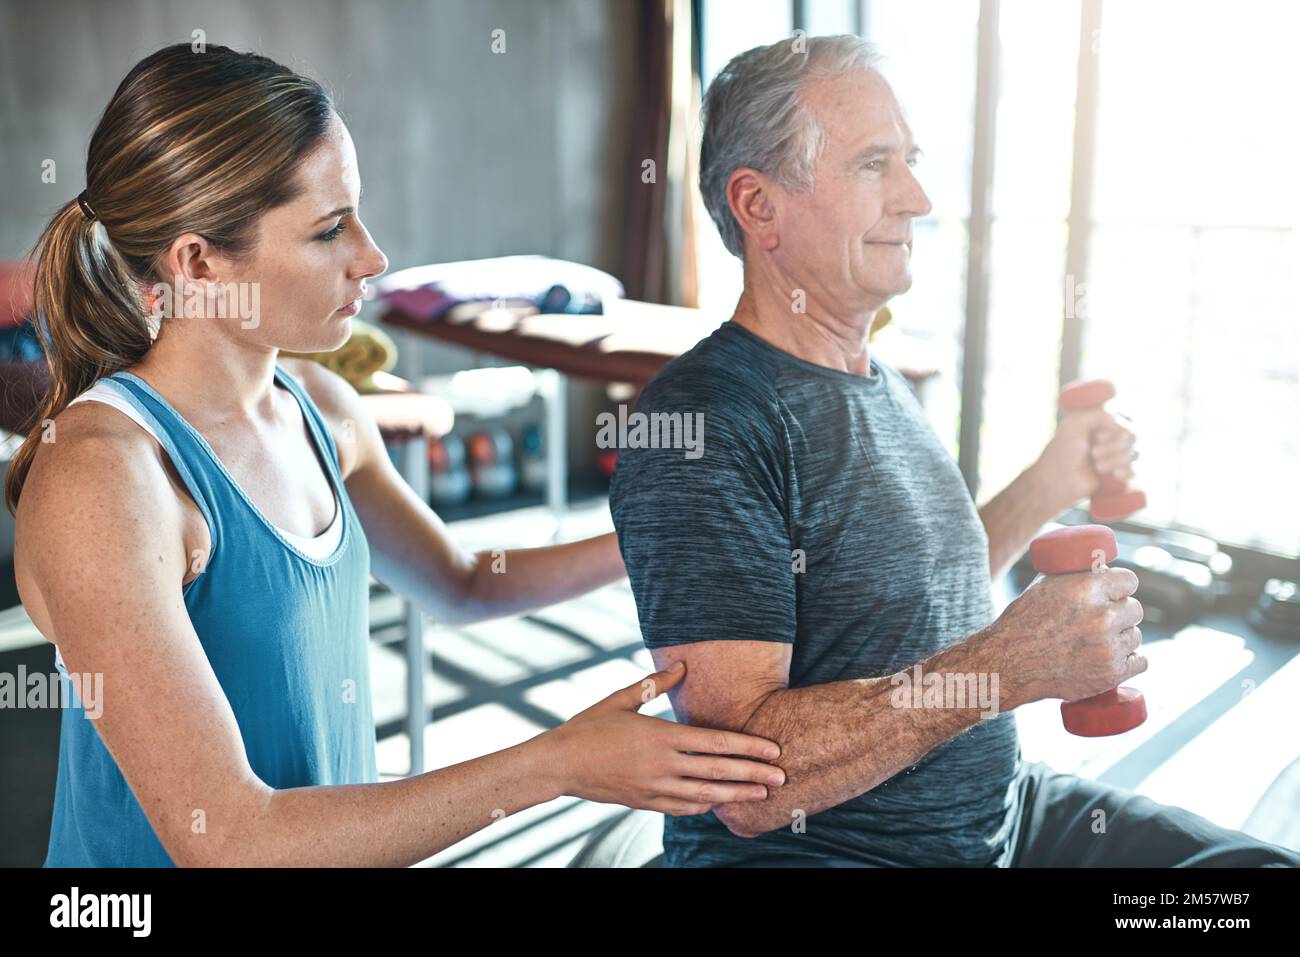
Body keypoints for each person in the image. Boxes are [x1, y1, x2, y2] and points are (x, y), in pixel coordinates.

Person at [9, 42, 786, 868]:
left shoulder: (325, 411)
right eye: (328, 229)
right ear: (199, 262)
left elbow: (457, 583)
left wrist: (660, 542)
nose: (372, 256)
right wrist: (556, 765)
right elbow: (232, 839)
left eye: (358, 213)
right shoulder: (104, 475)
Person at [609, 34, 1300, 867]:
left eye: (911, 159)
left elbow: (919, 598)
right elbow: (747, 784)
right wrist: (1004, 667)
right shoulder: (707, 421)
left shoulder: (874, 376)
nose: (918, 197)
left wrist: (1053, 481)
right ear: (759, 206)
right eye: (874, 165)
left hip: (1006, 811)